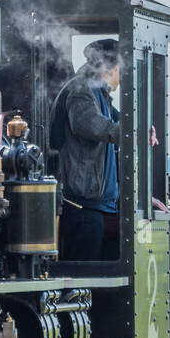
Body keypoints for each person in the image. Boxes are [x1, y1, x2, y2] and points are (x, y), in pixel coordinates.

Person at [50, 39, 122, 260]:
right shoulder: (81, 89)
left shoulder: (102, 97)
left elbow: (123, 125)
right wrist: (132, 134)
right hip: (80, 205)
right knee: (81, 272)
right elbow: (89, 124)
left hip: (96, 207)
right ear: (115, 67)